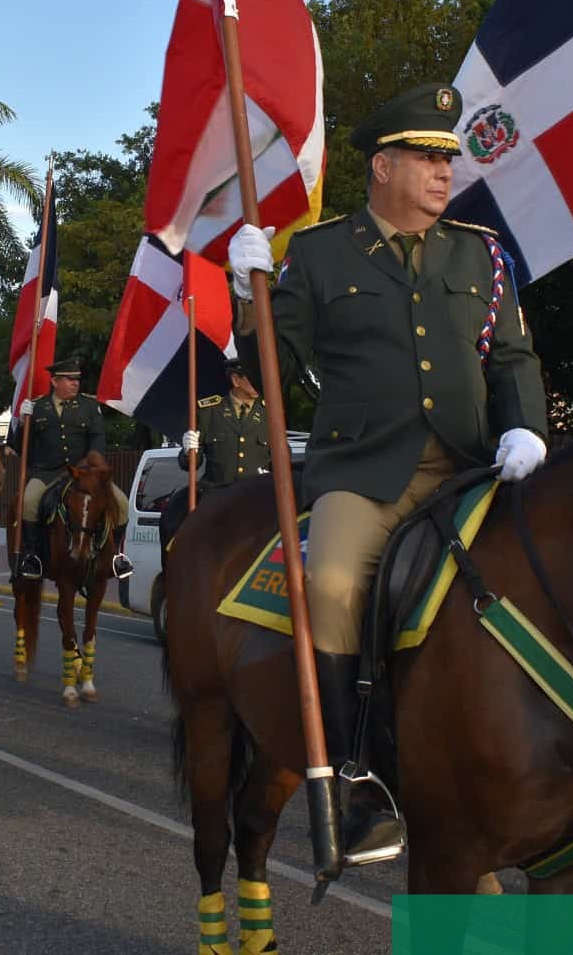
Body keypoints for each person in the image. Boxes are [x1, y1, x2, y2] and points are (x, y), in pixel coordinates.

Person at [227, 82, 549, 867]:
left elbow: (511, 356)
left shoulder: (481, 253)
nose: (445, 173)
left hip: (473, 467)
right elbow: (279, 367)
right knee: (334, 584)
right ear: (381, 166)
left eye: (448, 159)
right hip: (367, 470)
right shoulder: (321, 251)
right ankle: (351, 775)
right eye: (426, 158)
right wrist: (249, 298)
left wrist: (526, 427)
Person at [5, 358, 134, 582]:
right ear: (55, 381)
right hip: (47, 473)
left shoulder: (89, 406)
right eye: (69, 379)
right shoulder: (38, 407)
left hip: (85, 475)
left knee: (122, 503)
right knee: (28, 503)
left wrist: (92, 469)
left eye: (77, 379)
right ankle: (32, 557)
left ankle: (115, 556)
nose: (75, 383)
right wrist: (22, 424)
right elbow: (17, 446)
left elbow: (97, 440)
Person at [182, 360, 274, 490]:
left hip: (256, 496)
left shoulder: (269, 413)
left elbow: (282, 458)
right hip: (218, 497)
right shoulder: (209, 412)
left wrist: (272, 475)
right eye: (254, 377)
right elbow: (190, 465)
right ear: (236, 380)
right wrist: (189, 452)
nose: (260, 382)